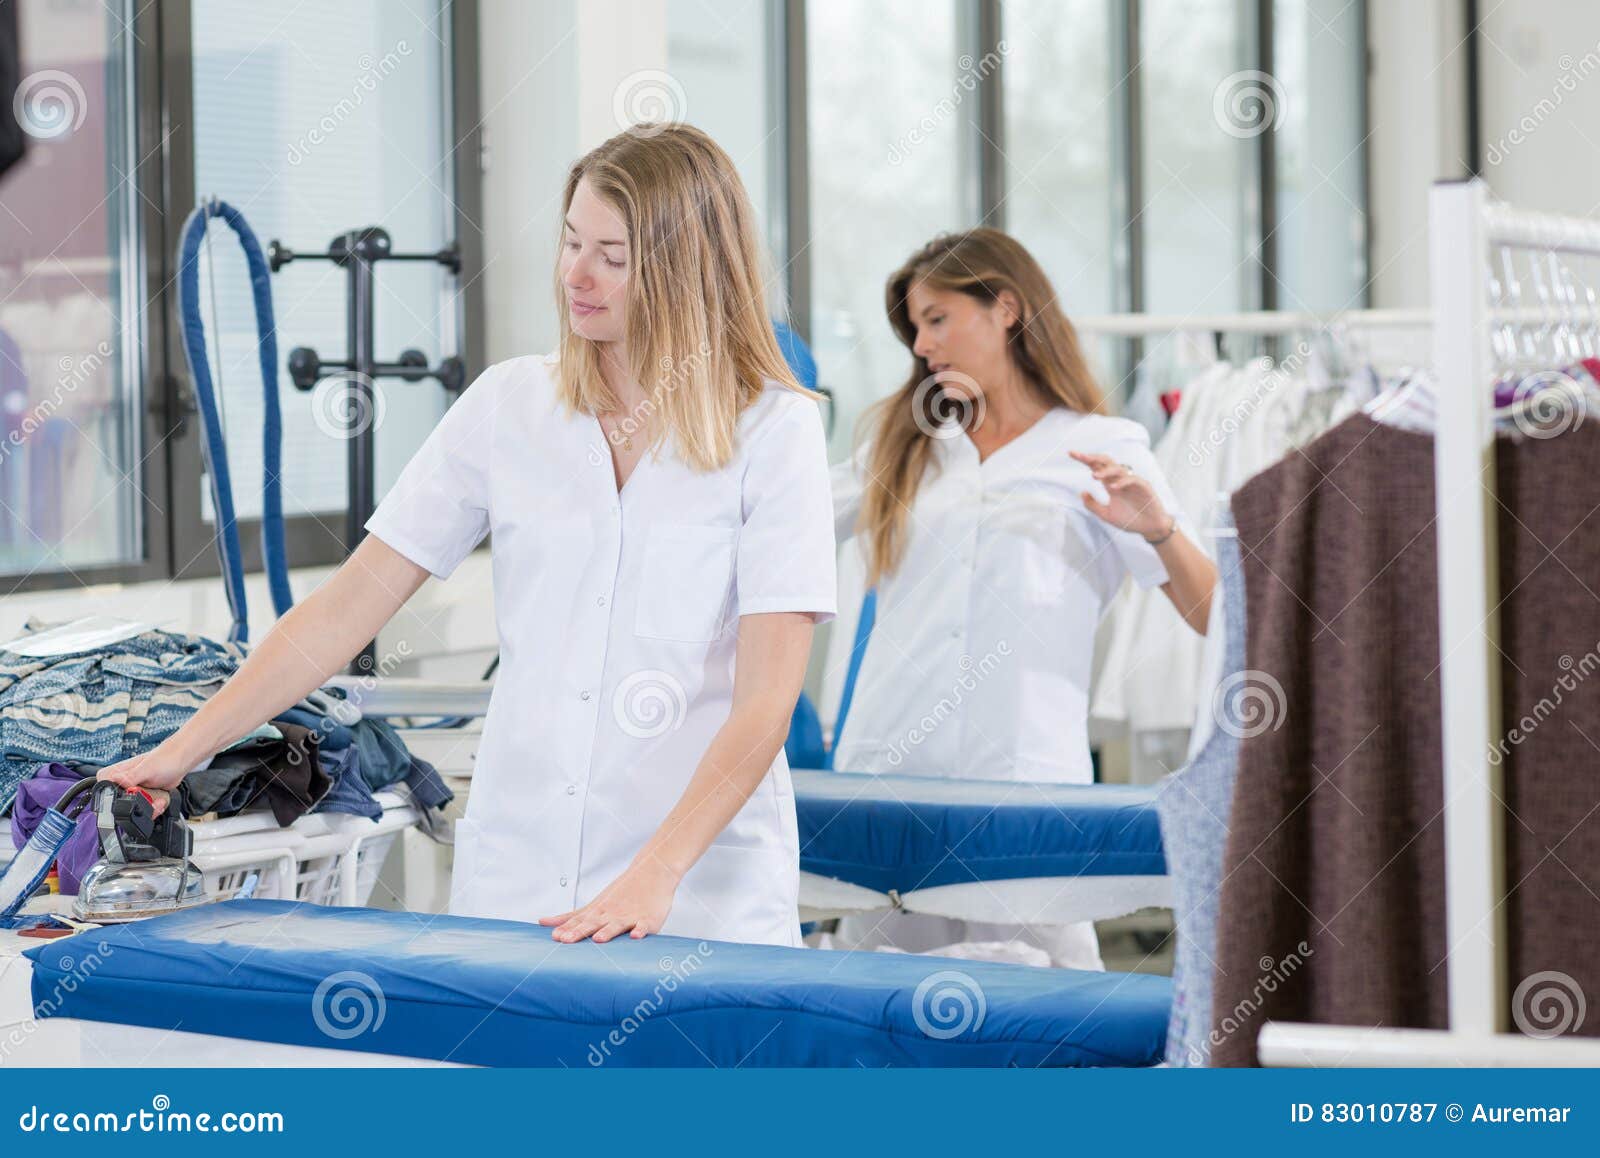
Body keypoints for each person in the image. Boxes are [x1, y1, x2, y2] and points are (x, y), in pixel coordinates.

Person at [99, 124, 838, 948]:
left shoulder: (773, 431)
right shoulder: (509, 406)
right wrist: (185, 749)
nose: (576, 276)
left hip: (700, 889)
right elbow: (346, 610)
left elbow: (767, 701)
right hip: (520, 876)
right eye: (569, 243)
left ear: (683, 268)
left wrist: (657, 873)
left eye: (613, 256)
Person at [829, 227, 1216, 968]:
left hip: (1026, 780)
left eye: (937, 318)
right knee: (879, 1013)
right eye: (914, 327)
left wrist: (1159, 528)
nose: (922, 345)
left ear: (1006, 308)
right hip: (893, 766)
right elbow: (787, 525)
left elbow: (1209, 615)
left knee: (1054, 1020)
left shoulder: (1103, 446)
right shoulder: (902, 446)